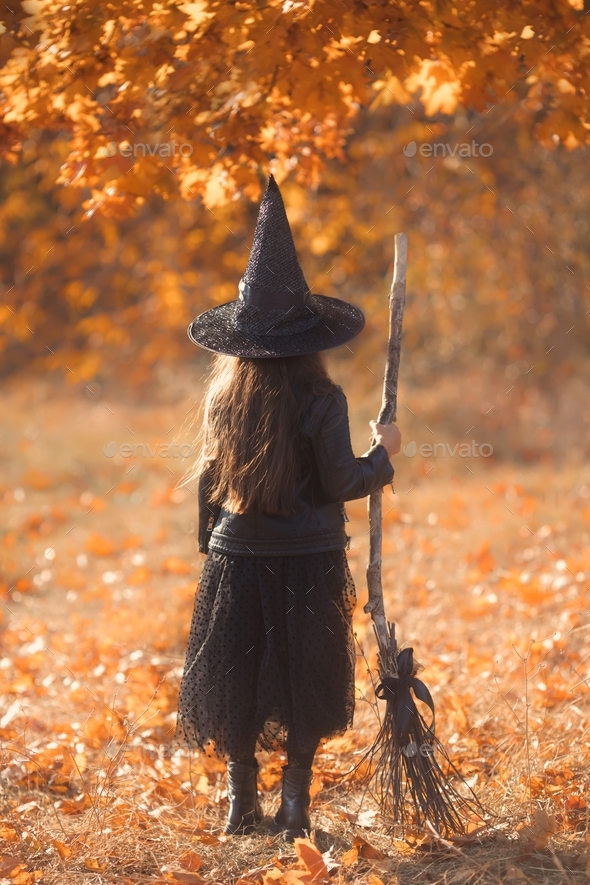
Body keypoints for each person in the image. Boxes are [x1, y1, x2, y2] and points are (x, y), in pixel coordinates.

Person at [174, 174, 401, 841]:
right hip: (307, 554)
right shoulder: (322, 400)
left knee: (237, 667)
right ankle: (294, 806)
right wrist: (381, 458)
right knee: (307, 668)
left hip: (237, 553)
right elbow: (338, 482)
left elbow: (209, 482)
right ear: (309, 339)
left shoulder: (226, 398)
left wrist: (211, 545)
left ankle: (240, 805)